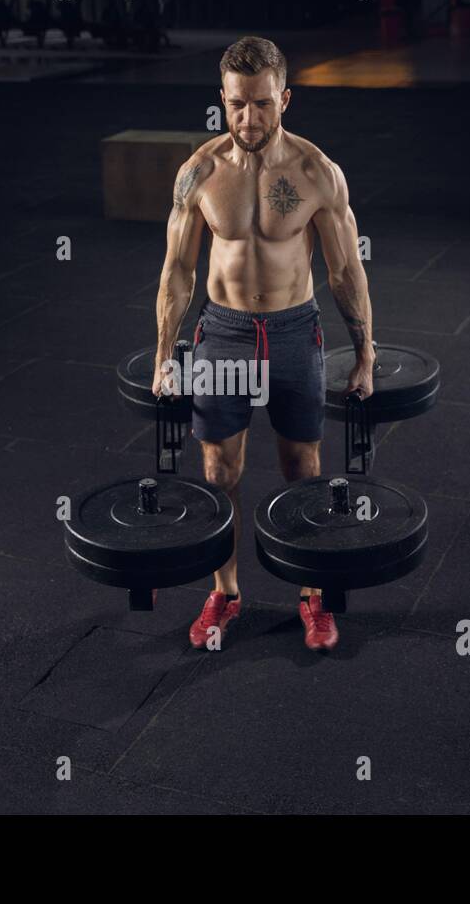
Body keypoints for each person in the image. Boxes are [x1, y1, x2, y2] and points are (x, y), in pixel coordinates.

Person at [151, 36, 375, 652]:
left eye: (262, 105)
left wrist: (366, 353)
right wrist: (166, 354)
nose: (249, 119)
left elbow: (345, 270)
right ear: (222, 99)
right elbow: (177, 271)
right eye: (236, 105)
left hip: (292, 331)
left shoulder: (315, 173)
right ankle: (225, 591)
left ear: (286, 99)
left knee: (301, 465)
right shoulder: (199, 171)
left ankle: (310, 595)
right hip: (222, 334)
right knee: (220, 468)